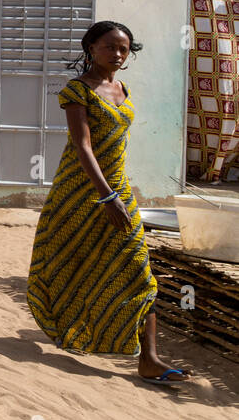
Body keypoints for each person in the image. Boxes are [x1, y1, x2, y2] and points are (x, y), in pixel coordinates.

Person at [27, 21, 193, 384]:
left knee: (139, 268)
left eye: (124, 49)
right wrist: (107, 197)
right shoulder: (77, 91)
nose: (117, 54)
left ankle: (149, 358)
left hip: (118, 188)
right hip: (82, 191)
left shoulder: (122, 88)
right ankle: (74, 328)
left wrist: (117, 194)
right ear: (91, 47)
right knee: (74, 259)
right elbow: (82, 146)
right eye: (110, 47)